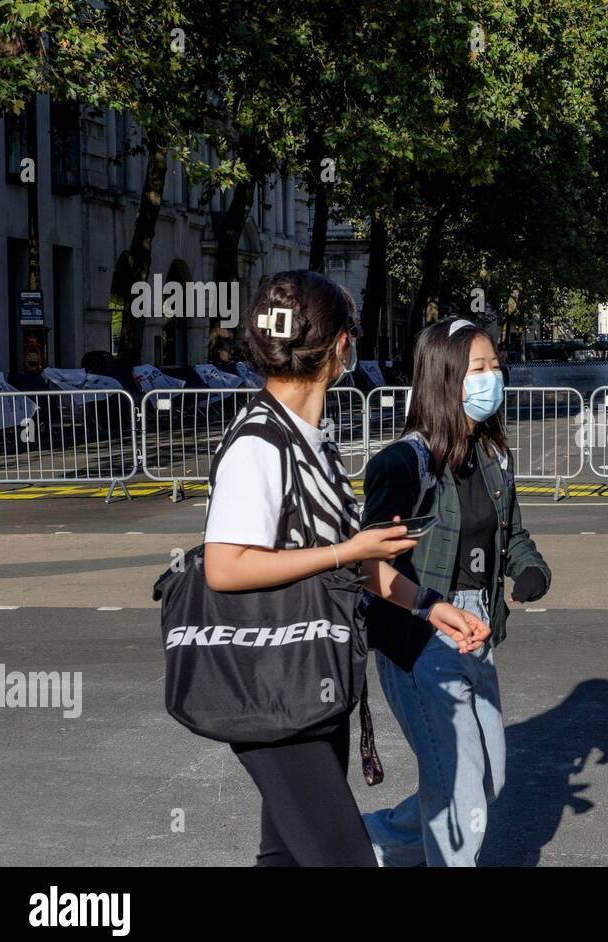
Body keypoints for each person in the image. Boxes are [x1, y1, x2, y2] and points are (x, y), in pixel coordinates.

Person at [203, 270, 488, 867]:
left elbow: (353, 563)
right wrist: (346, 552)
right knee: (342, 856)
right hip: (269, 683)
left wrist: (430, 606)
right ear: (339, 347)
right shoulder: (260, 443)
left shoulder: (310, 440)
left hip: (310, 673)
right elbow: (224, 567)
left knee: (283, 853)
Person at [362, 318, 551, 867]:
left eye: (496, 366)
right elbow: (368, 565)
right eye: (479, 369)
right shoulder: (403, 464)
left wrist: (530, 569)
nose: (493, 378)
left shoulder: (493, 456)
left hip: (476, 629)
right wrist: (429, 607)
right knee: (460, 783)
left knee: (485, 777)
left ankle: (366, 841)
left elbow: (512, 534)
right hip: (418, 633)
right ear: (444, 380)